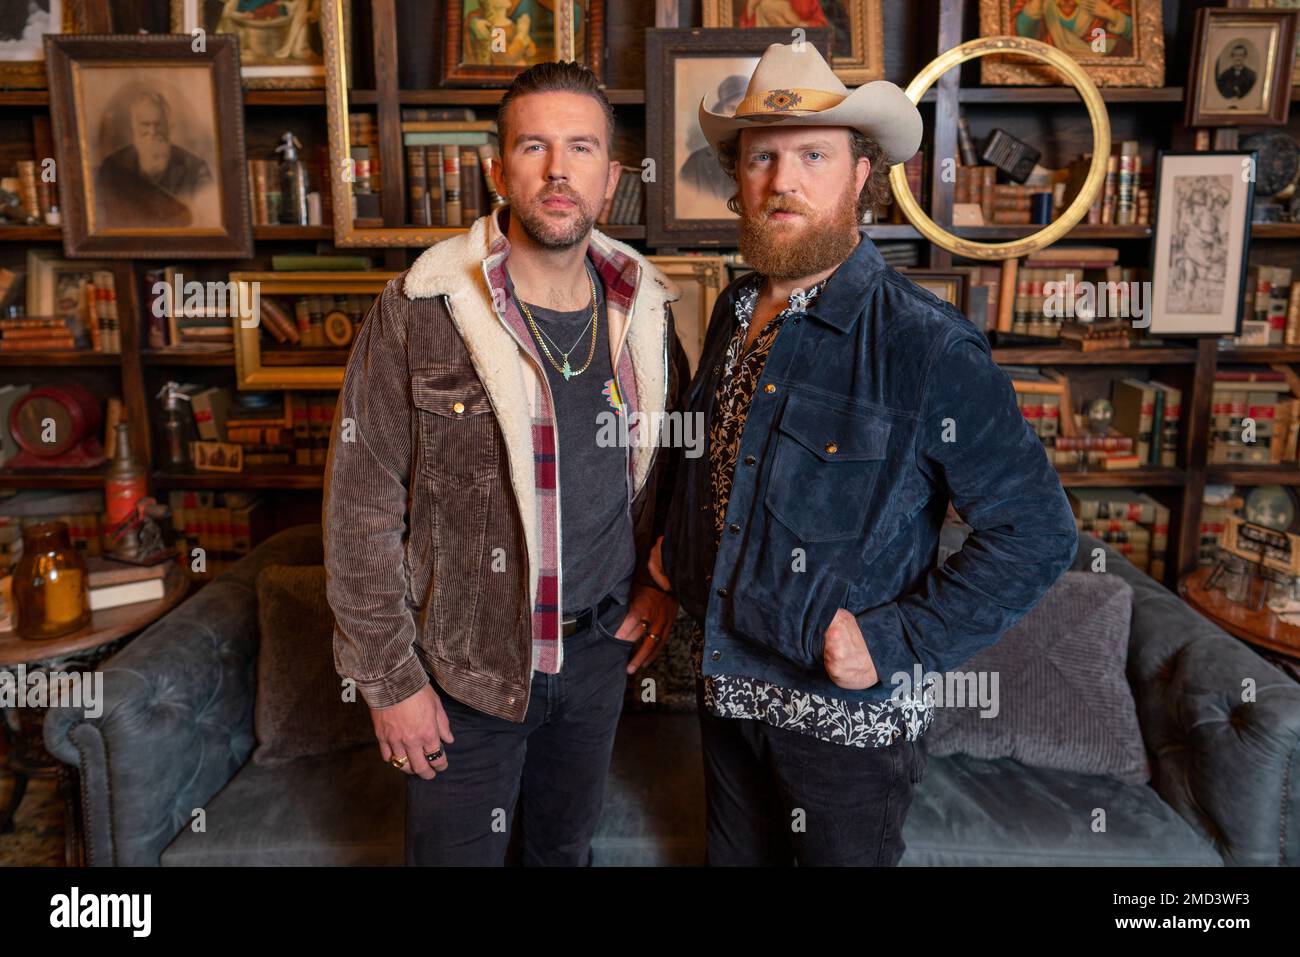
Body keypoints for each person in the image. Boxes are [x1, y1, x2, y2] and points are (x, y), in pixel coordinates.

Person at [651, 41, 1080, 866]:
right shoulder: (734, 309)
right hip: (726, 690)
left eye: (814, 155)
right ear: (738, 179)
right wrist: (679, 544)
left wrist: (897, 639)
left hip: (844, 735)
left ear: (860, 176)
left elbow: (1039, 533)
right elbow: (716, 458)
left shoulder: (927, 346)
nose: (784, 181)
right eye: (762, 157)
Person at [324, 59, 689, 866]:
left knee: (561, 854)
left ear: (611, 176)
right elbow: (361, 508)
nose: (559, 170)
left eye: (582, 148)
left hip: (596, 656)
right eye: (534, 147)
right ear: (498, 168)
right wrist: (390, 680)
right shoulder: (419, 308)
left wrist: (660, 581)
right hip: (463, 671)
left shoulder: (648, 311)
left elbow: (677, 474)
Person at [93, 91, 213, 229]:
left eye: (158, 124)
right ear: (134, 127)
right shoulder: (111, 169)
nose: (152, 131)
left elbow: (206, 223)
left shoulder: (196, 169)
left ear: (169, 126)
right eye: (145, 124)